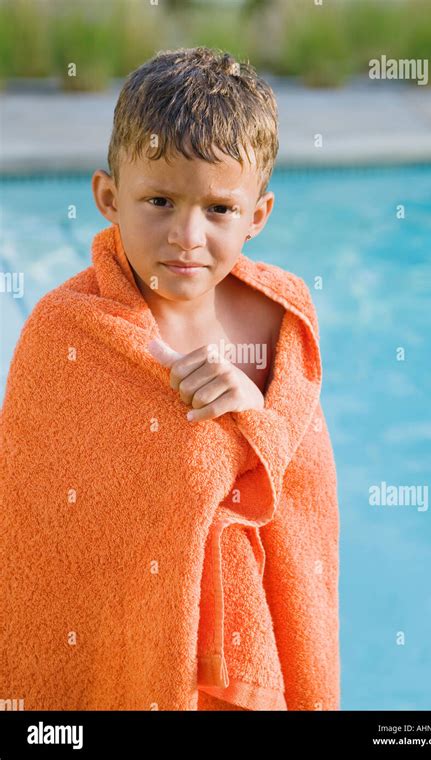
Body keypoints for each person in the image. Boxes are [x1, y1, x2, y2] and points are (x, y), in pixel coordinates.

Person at [0, 47, 340, 712]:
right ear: (108, 197)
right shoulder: (68, 334)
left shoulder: (280, 323)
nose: (187, 234)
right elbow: (38, 526)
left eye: (219, 210)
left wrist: (253, 419)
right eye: (159, 200)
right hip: (137, 659)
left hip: (249, 657)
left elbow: (305, 500)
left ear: (258, 216)